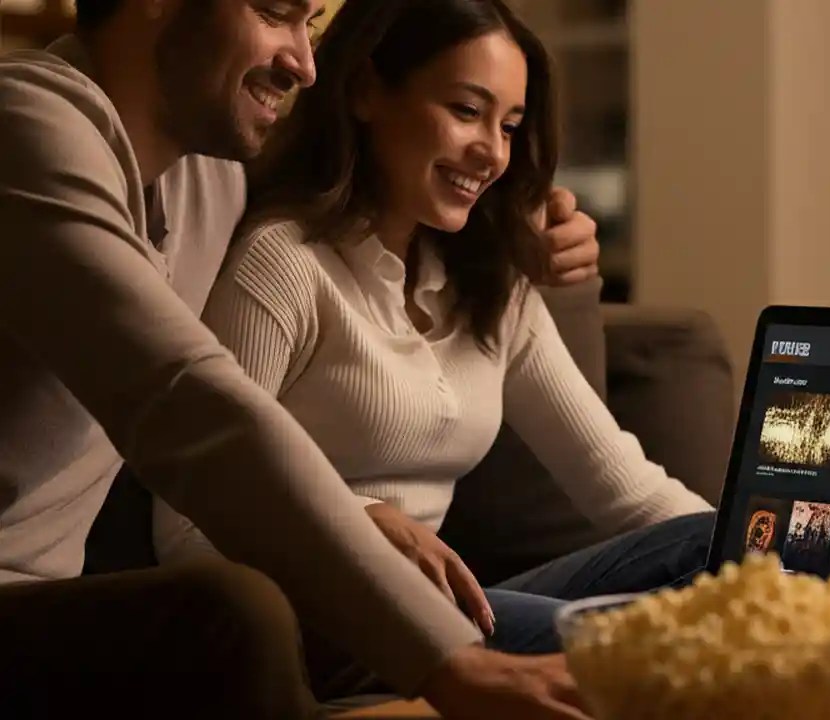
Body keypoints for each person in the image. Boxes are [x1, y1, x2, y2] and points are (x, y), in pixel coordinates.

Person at [0, 0, 612, 717]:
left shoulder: (211, 178)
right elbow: (189, 404)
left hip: (54, 606)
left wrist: (529, 215)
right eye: (276, 12)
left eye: (311, 27)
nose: (305, 63)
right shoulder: (25, 127)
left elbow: (352, 163)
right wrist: (451, 662)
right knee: (234, 609)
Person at [150, 0, 715, 697]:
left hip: (452, 613)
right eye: (466, 110)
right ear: (366, 90)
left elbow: (626, 488)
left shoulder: (491, 284)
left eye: (508, 126)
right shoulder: (283, 266)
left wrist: (779, 579)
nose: (493, 152)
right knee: (654, 644)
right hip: (324, 618)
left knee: (725, 548)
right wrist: (358, 519)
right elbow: (185, 532)